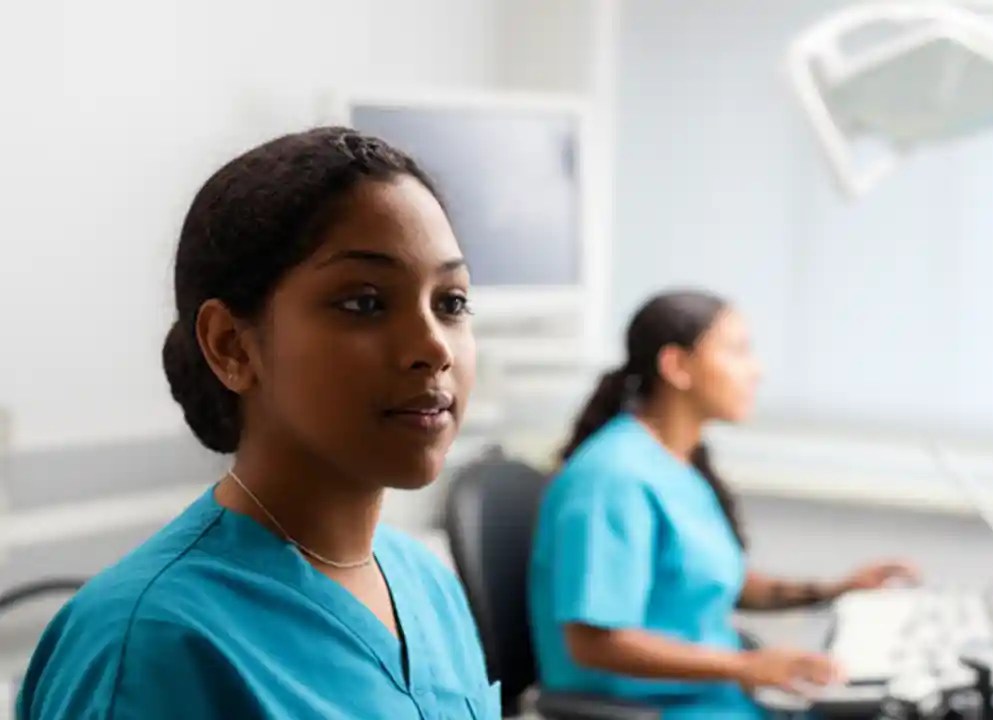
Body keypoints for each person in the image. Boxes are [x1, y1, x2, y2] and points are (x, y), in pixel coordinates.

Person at [17, 128, 497, 718]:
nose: (433, 347)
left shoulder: (430, 585)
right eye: (365, 302)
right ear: (232, 348)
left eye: (450, 302)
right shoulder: (149, 644)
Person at [528, 290, 919, 719]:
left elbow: (711, 581)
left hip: (718, 699)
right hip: (662, 710)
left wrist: (836, 589)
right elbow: (593, 642)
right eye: (738, 351)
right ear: (677, 366)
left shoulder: (674, 463)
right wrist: (749, 667)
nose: (756, 370)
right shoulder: (612, 479)